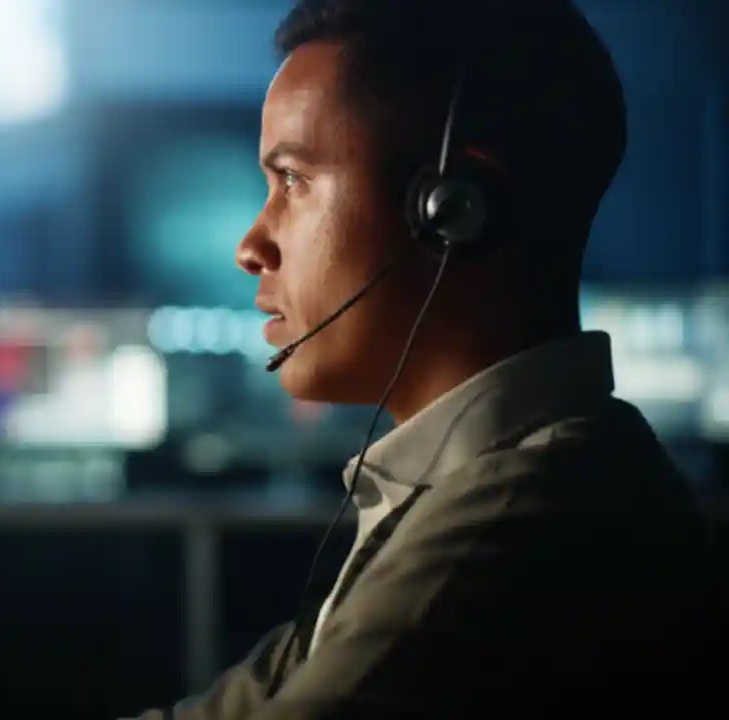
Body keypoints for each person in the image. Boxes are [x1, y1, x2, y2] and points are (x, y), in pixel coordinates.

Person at [127, 0, 724, 717]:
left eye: (293, 181)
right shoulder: (479, 485)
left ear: (451, 208)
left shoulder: (511, 531)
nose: (250, 246)